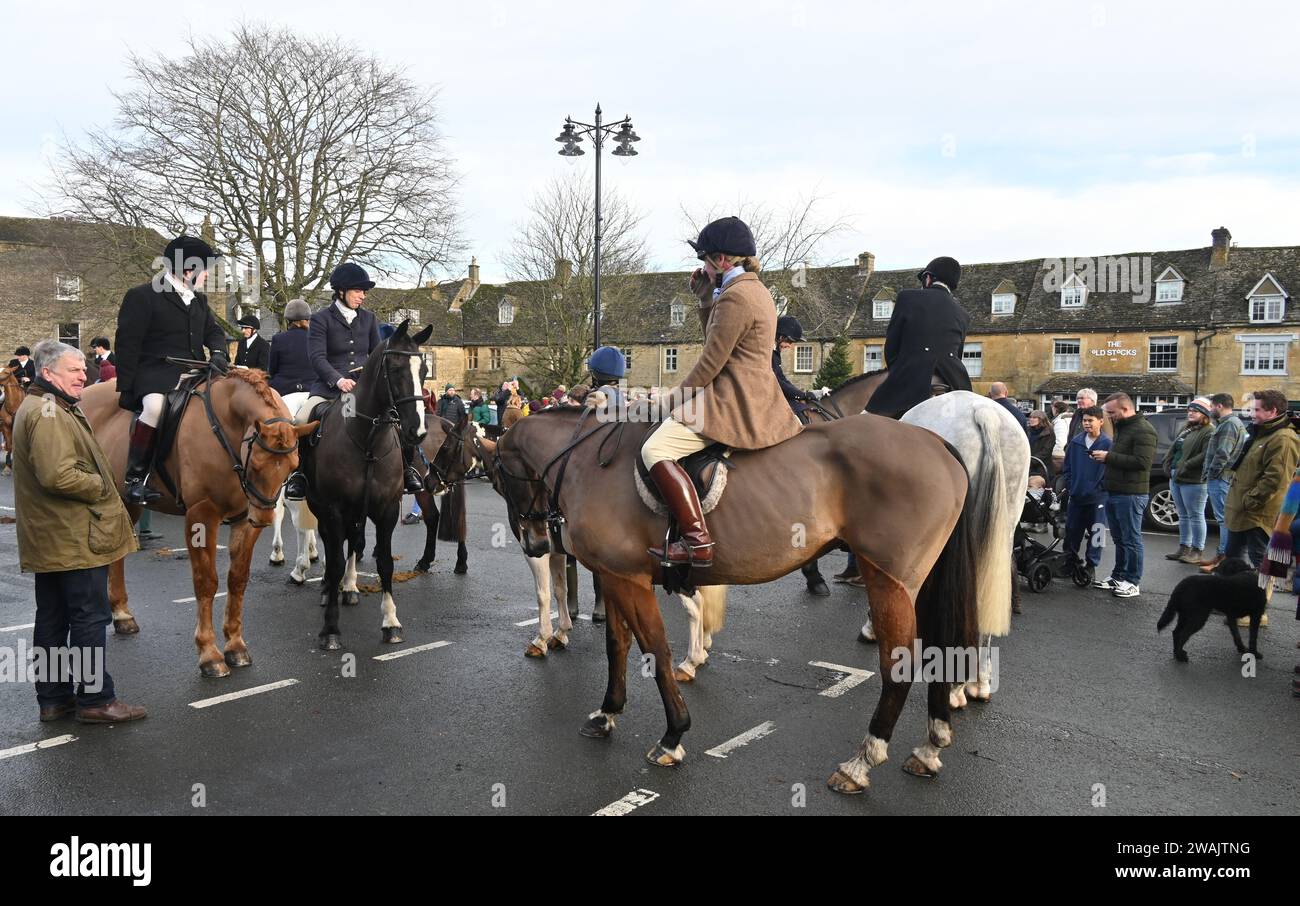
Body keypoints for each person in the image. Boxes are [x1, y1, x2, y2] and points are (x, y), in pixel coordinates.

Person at [639, 216, 801, 567]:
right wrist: (704, 300)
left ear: (722, 259)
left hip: (733, 398)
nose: (703, 267)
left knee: (655, 449)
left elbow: (710, 363)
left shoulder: (736, 297)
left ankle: (697, 542)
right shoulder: (753, 291)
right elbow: (717, 339)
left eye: (705, 259)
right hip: (754, 394)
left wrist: (668, 403)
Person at [12, 339, 144, 724]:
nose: (84, 375)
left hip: (54, 535)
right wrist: (104, 486)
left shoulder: (47, 404)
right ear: (47, 372)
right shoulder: (49, 411)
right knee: (89, 617)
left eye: (84, 369)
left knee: (53, 619)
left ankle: (54, 700)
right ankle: (95, 700)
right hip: (73, 535)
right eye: (74, 370)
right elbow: (58, 475)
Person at [285, 262, 424, 500]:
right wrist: (338, 380)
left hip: (363, 389)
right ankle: (300, 475)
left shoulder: (369, 319)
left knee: (398, 417)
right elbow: (316, 357)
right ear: (341, 291)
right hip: (329, 389)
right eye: (358, 290)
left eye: (364, 292)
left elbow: (377, 354)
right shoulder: (320, 319)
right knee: (301, 419)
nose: (362, 296)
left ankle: (407, 468)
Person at [114, 235, 229, 504]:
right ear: (188, 270)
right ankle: (136, 478)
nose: (207, 276)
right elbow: (127, 344)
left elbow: (213, 332)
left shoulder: (199, 300)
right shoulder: (142, 296)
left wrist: (219, 353)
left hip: (198, 371)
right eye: (204, 270)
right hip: (156, 373)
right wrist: (128, 388)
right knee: (154, 408)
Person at [864, 256, 972, 418]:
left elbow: (892, 347)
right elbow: (958, 354)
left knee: (865, 420)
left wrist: (897, 372)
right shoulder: (963, 314)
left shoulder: (907, 298)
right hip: (956, 380)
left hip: (912, 375)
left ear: (928, 278)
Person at [1221, 388, 1300, 569]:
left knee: (1262, 564)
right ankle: (1234, 588)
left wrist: (1250, 501)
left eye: (1256, 410)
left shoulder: (1283, 438)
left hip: (1257, 513)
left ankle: (1263, 590)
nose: (1251, 414)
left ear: (1273, 411)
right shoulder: (1263, 432)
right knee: (1232, 561)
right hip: (1242, 510)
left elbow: (1276, 478)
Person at [1092, 393, 1156, 599]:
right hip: (1115, 490)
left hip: (1131, 494)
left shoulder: (1144, 430)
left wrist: (1108, 457)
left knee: (1131, 539)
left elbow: (1142, 462)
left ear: (1125, 409)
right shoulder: (1123, 427)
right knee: (1119, 539)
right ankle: (1118, 576)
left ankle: (1133, 581)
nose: (1109, 417)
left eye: (1111, 412)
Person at [1198, 393, 1247, 573]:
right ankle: (1220, 555)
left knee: (1224, 519)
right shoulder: (1229, 423)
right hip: (1222, 477)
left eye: (1211, 406)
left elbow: (1223, 453)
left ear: (1219, 406)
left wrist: (1212, 474)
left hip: (1221, 478)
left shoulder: (1229, 424)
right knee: (1223, 519)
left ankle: (1223, 559)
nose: (1210, 410)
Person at [1060, 405, 1111, 573]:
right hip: (1076, 496)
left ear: (1101, 422)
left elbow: (1111, 471)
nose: (1087, 423)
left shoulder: (1108, 444)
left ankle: (1091, 565)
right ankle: (1070, 562)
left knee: (1097, 532)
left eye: (1091, 420)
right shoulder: (1076, 442)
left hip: (1097, 498)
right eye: (1084, 420)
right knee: (1072, 531)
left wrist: (1101, 487)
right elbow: (1067, 467)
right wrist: (1071, 485)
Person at [1163, 397, 1213, 564]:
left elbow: (1205, 454)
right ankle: (1184, 547)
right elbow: (1175, 449)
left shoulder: (1209, 431)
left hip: (1194, 480)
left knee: (1196, 515)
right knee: (1183, 515)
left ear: (1205, 414)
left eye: (1195, 411)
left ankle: (1197, 550)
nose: (1191, 413)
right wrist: (1168, 463)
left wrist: (1185, 465)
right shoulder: (1187, 429)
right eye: (1190, 410)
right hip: (1176, 476)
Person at [772, 315, 826, 424]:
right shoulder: (769, 354)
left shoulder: (775, 354)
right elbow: (778, 382)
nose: (790, 346)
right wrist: (803, 395)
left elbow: (783, 379)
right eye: (789, 341)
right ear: (780, 337)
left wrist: (801, 394)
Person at [267, 299, 315, 416]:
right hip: (312, 391)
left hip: (285, 393)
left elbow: (272, 370)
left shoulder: (278, 339)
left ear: (288, 320)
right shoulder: (316, 339)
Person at [1026, 410, 1055, 481]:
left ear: (1041, 419)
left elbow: (1046, 452)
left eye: (1034, 418)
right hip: (1027, 466)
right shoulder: (1028, 430)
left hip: (1041, 466)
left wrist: (1031, 461)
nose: (1031, 419)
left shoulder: (1049, 432)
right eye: (1030, 417)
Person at [1050, 399, 1072, 472]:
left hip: (1060, 455)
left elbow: (1061, 440)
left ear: (1056, 409)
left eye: (1053, 408)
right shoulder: (1071, 418)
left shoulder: (1060, 421)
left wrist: (1055, 454)